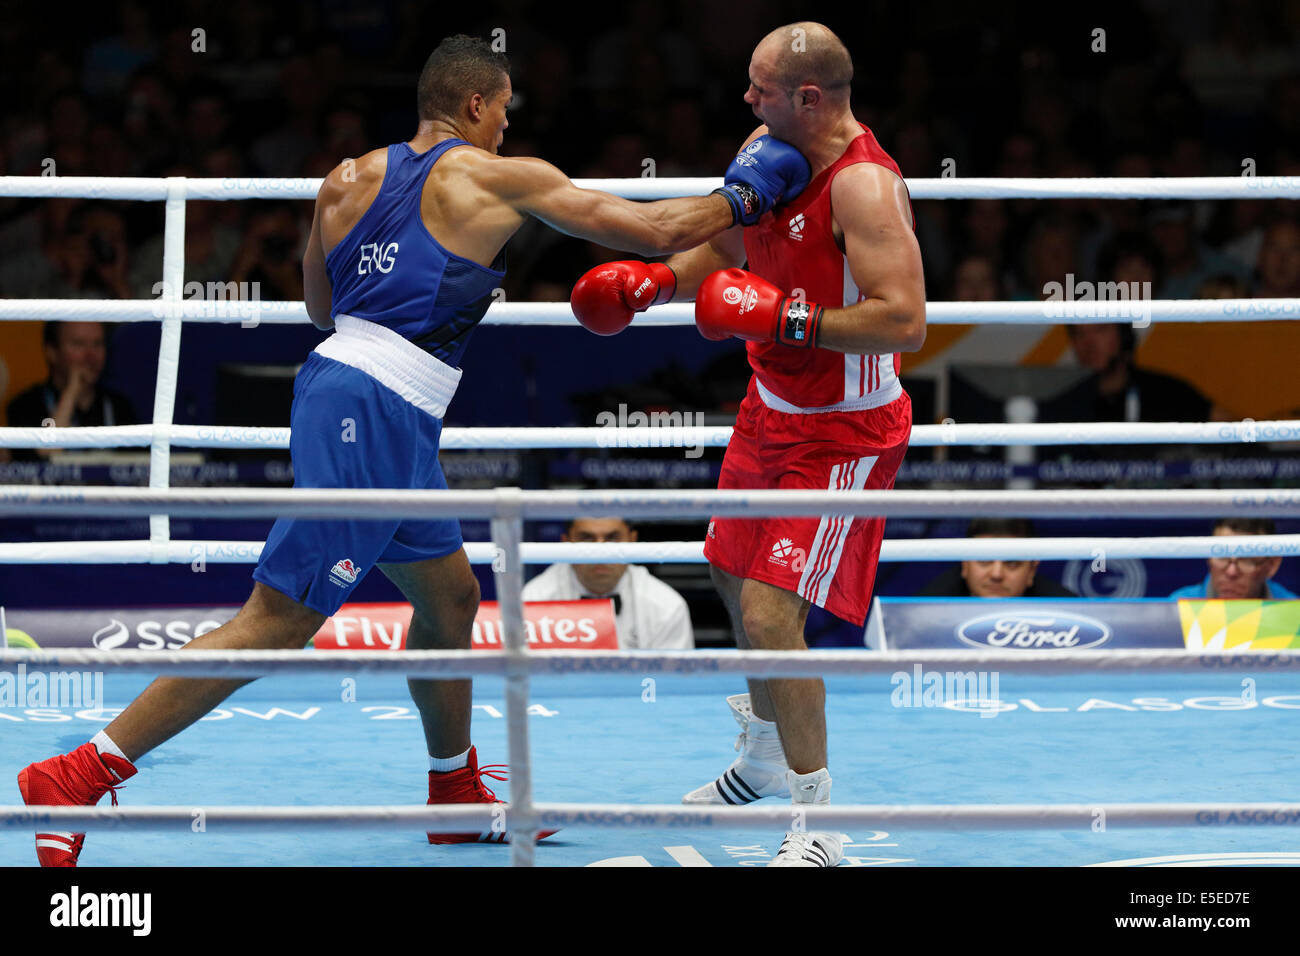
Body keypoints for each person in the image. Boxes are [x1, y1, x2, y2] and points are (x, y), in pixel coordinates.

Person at [17, 34, 811, 867]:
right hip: (375, 410)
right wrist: (749, 190)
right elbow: (655, 230)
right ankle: (77, 772)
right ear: (475, 105)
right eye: (505, 109)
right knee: (280, 618)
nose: (508, 125)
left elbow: (321, 309)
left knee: (449, 599)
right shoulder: (498, 175)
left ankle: (455, 794)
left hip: (352, 391)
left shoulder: (345, 179)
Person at [572, 22, 927, 866]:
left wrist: (782, 316)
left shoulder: (867, 187)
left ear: (810, 98)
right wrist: (658, 281)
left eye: (761, 87)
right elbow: (727, 249)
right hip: (767, 406)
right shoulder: (765, 149)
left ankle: (818, 821)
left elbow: (906, 318)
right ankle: (766, 755)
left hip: (844, 429)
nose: (746, 98)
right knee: (730, 575)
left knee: (773, 614)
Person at [522, 517, 694, 650]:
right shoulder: (533, 600)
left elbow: (671, 688)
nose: (600, 551)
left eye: (613, 538)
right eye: (587, 539)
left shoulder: (666, 606)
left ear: (632, 541)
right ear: (566, 543)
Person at [5, 321, 137, 461]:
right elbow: (41, 457)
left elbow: (141, 467)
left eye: (97, 344)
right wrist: (72, 392)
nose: (91, 356)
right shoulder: (25, 406)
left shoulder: (120, 407)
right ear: (52, 352)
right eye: (78, 344)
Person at [919, 518, 1076, 598]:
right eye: (984, 560)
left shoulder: (1068, 612)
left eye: (1012, 564)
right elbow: (916, 662)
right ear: (965, 564)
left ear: (1031, 570)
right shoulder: (926, 611)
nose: (996, 575)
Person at [1170, 518, 1297, 600]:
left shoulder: (1294, 613)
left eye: (1246, 560)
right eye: (1222, 555)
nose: (1231, 572)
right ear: (1208, 558)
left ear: (1272, 565)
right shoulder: (1178, 607)